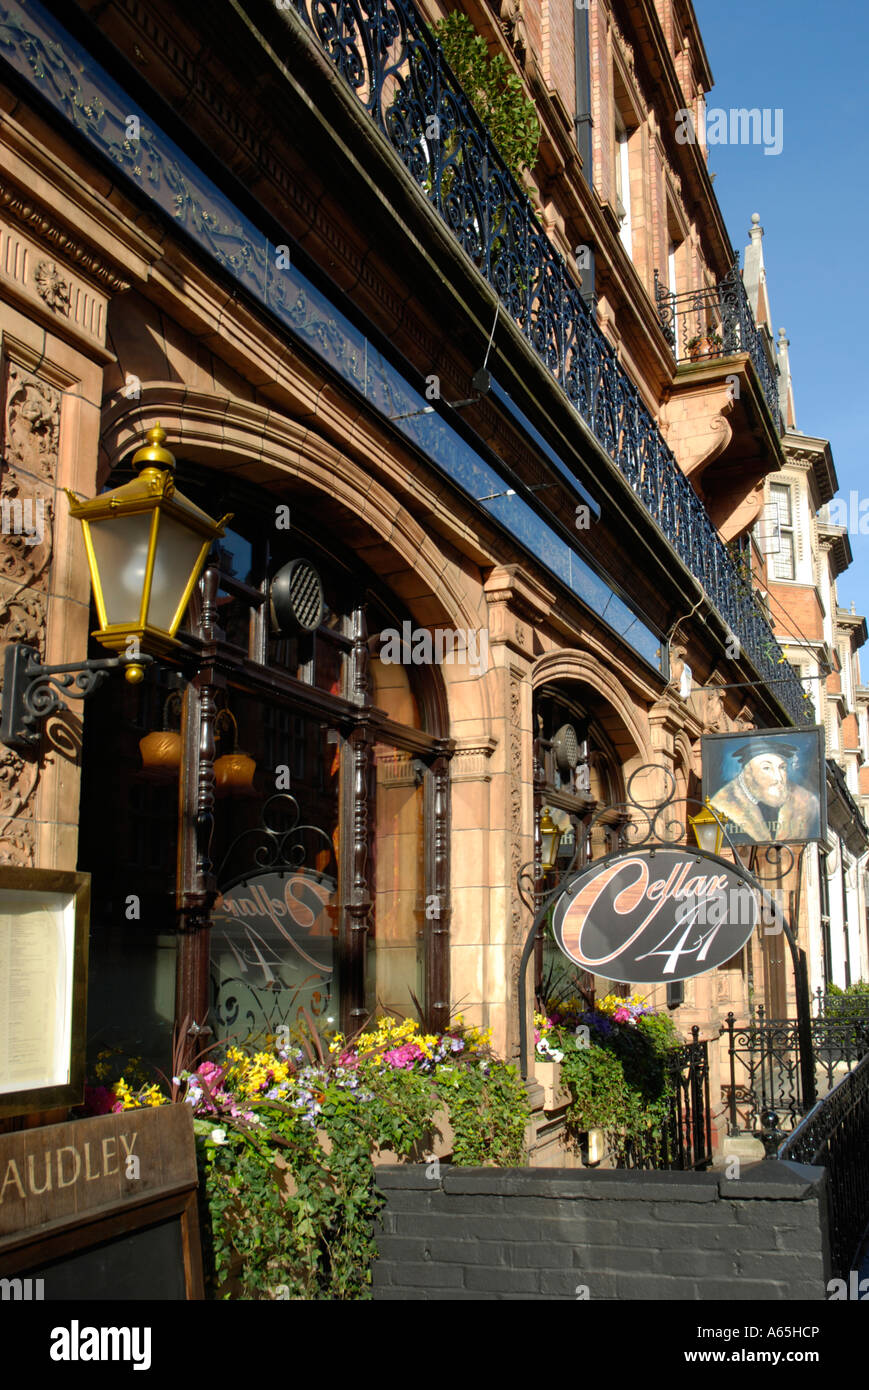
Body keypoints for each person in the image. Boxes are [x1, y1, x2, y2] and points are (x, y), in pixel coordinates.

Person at [709, 739, 818, 843]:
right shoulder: (723, 804)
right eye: (766, 768)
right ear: (748, 773)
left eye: (782, 767)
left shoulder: (805, 802)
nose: (778, 778)